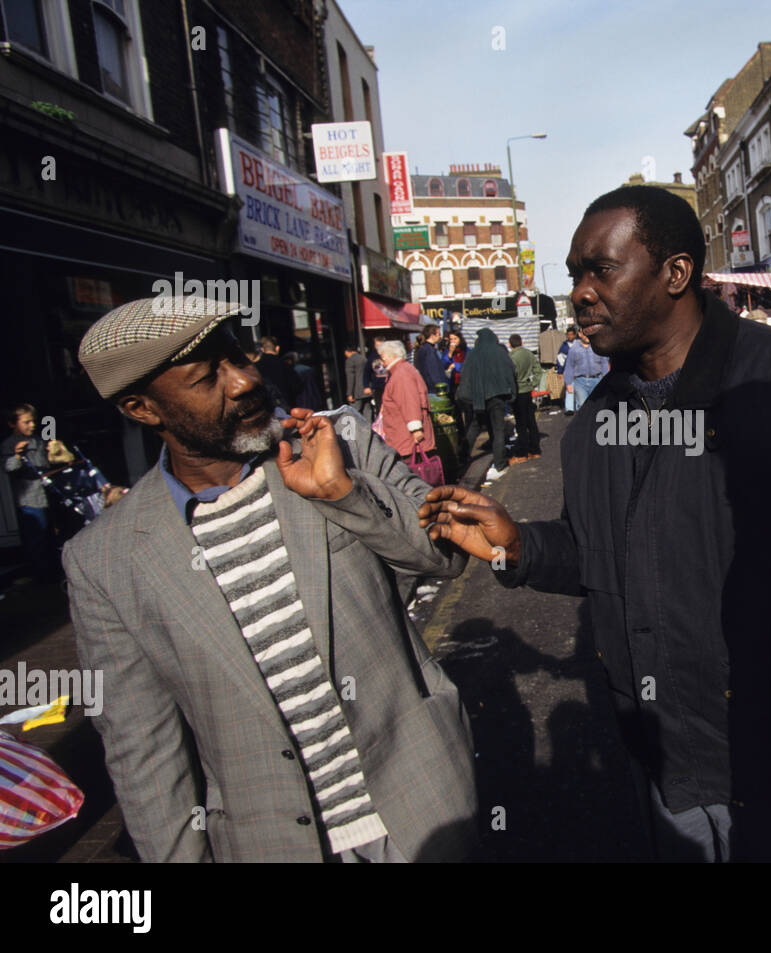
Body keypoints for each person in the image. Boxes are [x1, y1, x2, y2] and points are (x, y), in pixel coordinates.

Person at [422, 185, 771, 861]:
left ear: (676, 273)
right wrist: (517, 546)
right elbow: (597, 552)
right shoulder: (595, 423)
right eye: (575, 272)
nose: (579, 292)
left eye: (600, 269)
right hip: (665, 764)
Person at [63, 295, 477, 862]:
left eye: (239, 357)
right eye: (207, 377)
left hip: (420, 810)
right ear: (142, 408)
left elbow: (445, 557)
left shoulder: (339, 441)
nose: (242, 382)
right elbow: (144, 752)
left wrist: (345, 494)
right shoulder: (104, 561)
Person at [3, 403, 59, 581]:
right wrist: (17, 456)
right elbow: (9, 467)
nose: (32, 426)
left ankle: (54, 571)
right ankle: (41, 576)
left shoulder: (37, 440)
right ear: (13, 424)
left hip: (46, 495)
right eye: (26, 422)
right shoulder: (8, 444)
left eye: (33, 422)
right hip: (29, 500)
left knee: (51, 536)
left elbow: (45, 464)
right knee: (36, 539)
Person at [458, 328, 516, 481]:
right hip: (496, 397)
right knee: (498, 430)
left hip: (477, 398)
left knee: (474, 428)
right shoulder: (499, 352)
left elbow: (466, 376)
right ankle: (500, 463)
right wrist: (512, 393)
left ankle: (462, 458)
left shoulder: (473, 353)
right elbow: (511, 371)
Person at [376, 338, 437, 462]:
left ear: (393, 356)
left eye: (383, 358)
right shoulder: (401, 370)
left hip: (406, 437)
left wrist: (416, 429)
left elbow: (409, 402)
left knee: (414, 470)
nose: (382, 363)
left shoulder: (401, 373)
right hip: (404, 435)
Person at [507, 333, 544, 463]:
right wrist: (533, 383)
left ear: (510, 344)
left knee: (520, 423)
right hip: (528, 390)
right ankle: (535, 450)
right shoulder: (528, 354)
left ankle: (522, 452)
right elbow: (538, 371)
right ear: (521, 342)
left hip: (517, 391)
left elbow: (510, 375)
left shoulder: (511, 357)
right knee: (531, 420)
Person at [562, 329, 608, 413]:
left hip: (597, 380)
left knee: (598, 407)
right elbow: (569, 367)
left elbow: (604, 364)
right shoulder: (573, 349)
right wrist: (568, 384)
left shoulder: (598, 346)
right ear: (579, 334)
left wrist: (606, 380)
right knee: (583, 408)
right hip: (580, 382)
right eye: (585, 333)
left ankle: (596, 425)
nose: (587, 336)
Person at [255, 335, 301, 410]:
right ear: (277, 348)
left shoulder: (256, 367)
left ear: (262, 350)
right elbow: (298, 386)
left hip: (269, 409)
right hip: (287, 406)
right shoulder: (285, 365)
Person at [414, 325, 449, 392]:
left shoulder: (424, 348)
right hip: (433, 389)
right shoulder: (429, 350)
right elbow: (433, 371)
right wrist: (440, 388)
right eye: (439, 334)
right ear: (432, 336)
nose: (440, 336)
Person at [557, 327, 578, 415]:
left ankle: (579, 406)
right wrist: (560, 371)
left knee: (580, 388)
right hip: (569, 370)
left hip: (580, 370)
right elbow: (560, 359)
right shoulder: (564, 346)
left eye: (571, 334)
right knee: (569, 389)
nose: (569, 336)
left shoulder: (580, 343)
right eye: (568, 334)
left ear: (575, 335)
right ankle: (569, 408)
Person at [343, 343, 370, 407]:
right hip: (366, 390)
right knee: (368, 410)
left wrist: (350, 393)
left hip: (356, 392)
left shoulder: (350, 361)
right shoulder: (364, 359)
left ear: (346, 352)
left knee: (355, 412)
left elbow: (350, 378)